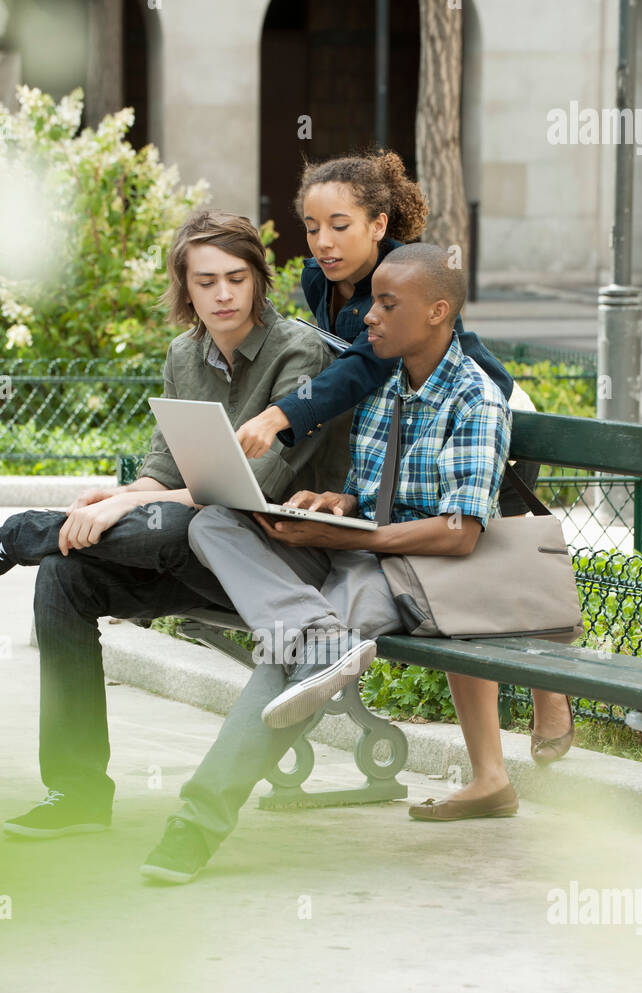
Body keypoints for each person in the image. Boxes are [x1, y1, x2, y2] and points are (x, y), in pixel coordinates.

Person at [0, 209, 350, 842]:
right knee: (64, 576)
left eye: (237, 278)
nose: (224, 294)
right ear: (186, 288)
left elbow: (250, 489)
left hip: (273, 566)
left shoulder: (299, 353)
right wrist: (122, 497)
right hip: (198, 557)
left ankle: (21, 533)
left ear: (259, 279)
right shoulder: (185, 355)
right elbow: (164, 471)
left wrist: (125, 508)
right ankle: (75, 792)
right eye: (206, 281)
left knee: (183, 526)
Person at [149, 243, 515, 885]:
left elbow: (460, 534)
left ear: (437, 312)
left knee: (290, 651)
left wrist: (350, 539)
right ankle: (313, 632)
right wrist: (332, 506)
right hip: (353, 549)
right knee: (214, 521)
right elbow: (367, 493)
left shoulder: (474, 400)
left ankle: (197, 823)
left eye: (387, 304)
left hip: (414, 571)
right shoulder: (388, 386)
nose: (368, 316)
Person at [234, 151, 573, 763]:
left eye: (340, 226)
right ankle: (489, 773)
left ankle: (550, 692)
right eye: (311, 227)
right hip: (414, 417)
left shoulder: (406, 283)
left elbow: (360, 369)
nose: (323, 242)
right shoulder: (320, 280)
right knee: (459, 586)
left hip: (483, 418)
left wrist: (280, 415)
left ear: (379, 226)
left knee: (505, 579)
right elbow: (353, 366)